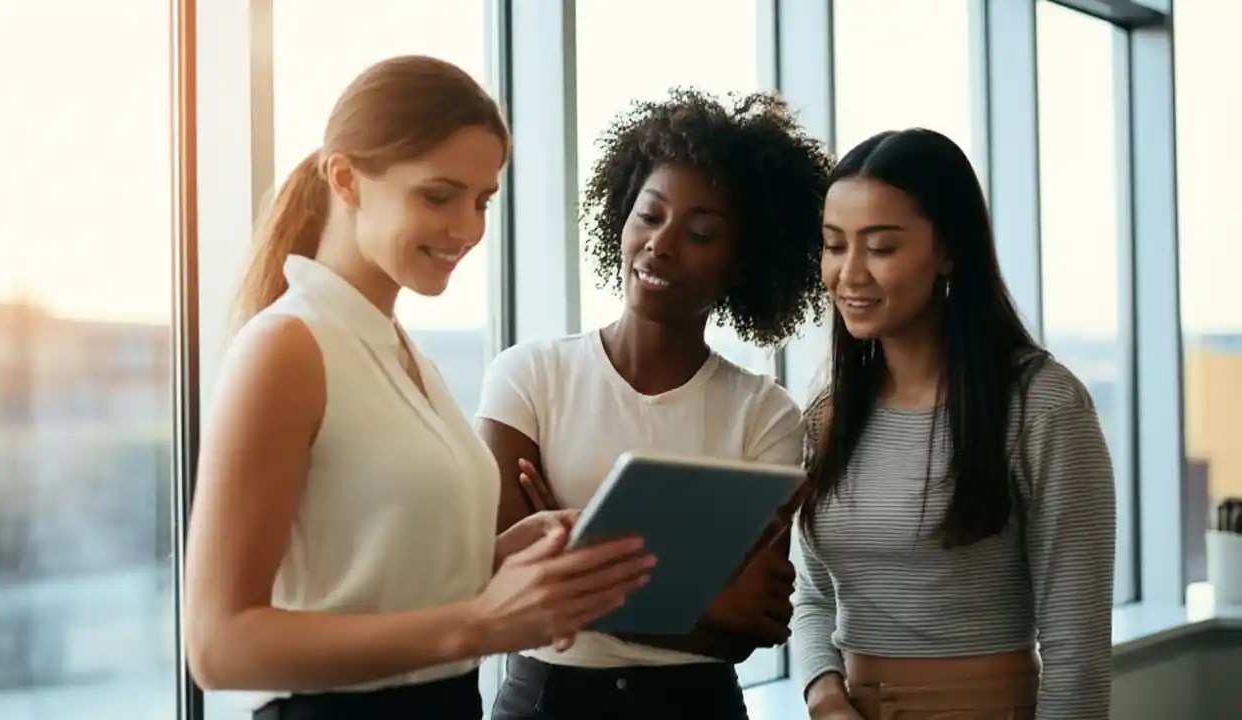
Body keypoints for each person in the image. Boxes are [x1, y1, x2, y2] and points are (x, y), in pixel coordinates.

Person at [182, 55, 655, 720]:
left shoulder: (402, 354)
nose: (467, 229)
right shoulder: (286, 348)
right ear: (345, 179)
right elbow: (219, 646)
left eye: (482, 200)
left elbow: (370, 585)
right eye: (438, 195)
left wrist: (501, 563)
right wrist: (480, 623)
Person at [475, 88, 835, 720]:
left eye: (701, 232)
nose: (661, 244)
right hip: (543, 704)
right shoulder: (528, 376)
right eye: (650, 215)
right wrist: (698, 598)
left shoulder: (765, 414)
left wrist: (576, 567)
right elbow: (509, 591)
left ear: (742, 262)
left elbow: (747, 624)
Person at [794, 128, 1115, 720]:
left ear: (948, 250)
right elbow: (812, 597)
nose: (849, 273)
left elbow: (1077, 650)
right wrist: (824, 694)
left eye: (881, 247)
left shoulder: (1043, 407)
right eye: (834, 245)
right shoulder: (828, 417)